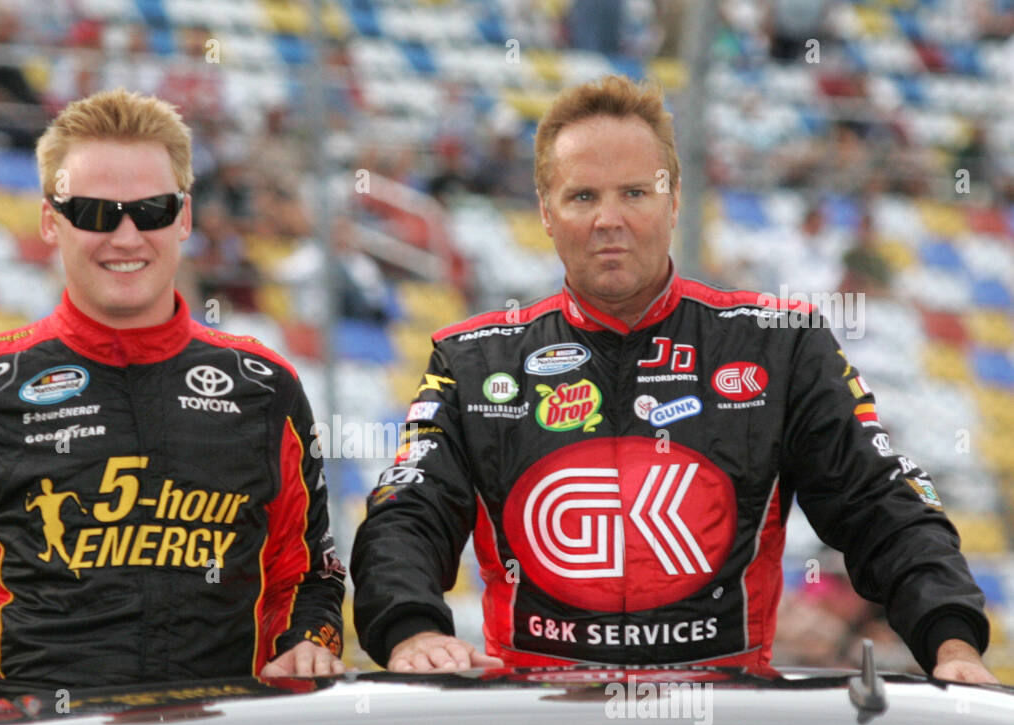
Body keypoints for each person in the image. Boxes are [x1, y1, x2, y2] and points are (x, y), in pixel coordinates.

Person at [350, 74, 995, 685]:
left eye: (635, 192)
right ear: (545, 212)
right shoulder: (473, 361)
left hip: (727, 719)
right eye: (583, 196)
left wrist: (951, 642)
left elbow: (880, 502)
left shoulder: (780, 346)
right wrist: (410, 631)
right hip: (532, 720)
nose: (609, 218)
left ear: (674, 199)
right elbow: (407, 514)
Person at [0, 88, 346, 725]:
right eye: (96, 214)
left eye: (153, 211)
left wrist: (308, 643)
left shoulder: (266, 387)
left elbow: (309, 573)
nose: (127, 236)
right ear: (51, 220)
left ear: (186, 216)